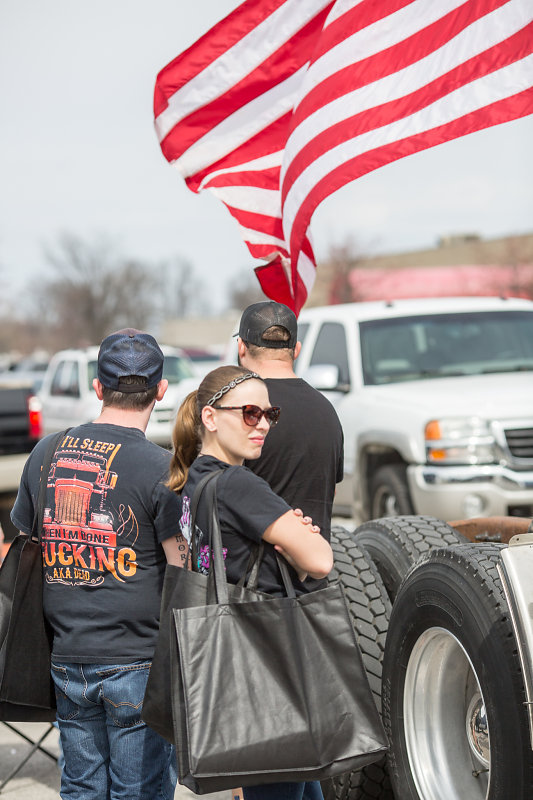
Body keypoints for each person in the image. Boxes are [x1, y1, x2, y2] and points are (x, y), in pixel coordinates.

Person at [11, 328, 185, 800]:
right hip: (137, 660)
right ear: (162, 390)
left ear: (97, 387)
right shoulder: (163, 468)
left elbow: (25, 541)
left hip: (67, 657)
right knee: (140, 792)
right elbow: (180, 573)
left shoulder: (46, 453)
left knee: (82, 789)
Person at [169, 364, 333, 800]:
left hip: (232, 667)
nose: (262, 425)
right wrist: (302, 539)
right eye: (248, 413)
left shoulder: (193, 483)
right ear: (210, 417)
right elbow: (320, 561)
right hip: (269, 668)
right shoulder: (241, 485)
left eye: (269, 414)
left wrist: (286, 547)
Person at [236, 300, 344, 592]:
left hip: (248, 595)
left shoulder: (239, 411)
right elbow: (328, 491)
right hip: (312, 593)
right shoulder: (327, 411)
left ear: (241, 348)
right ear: (295, 350)